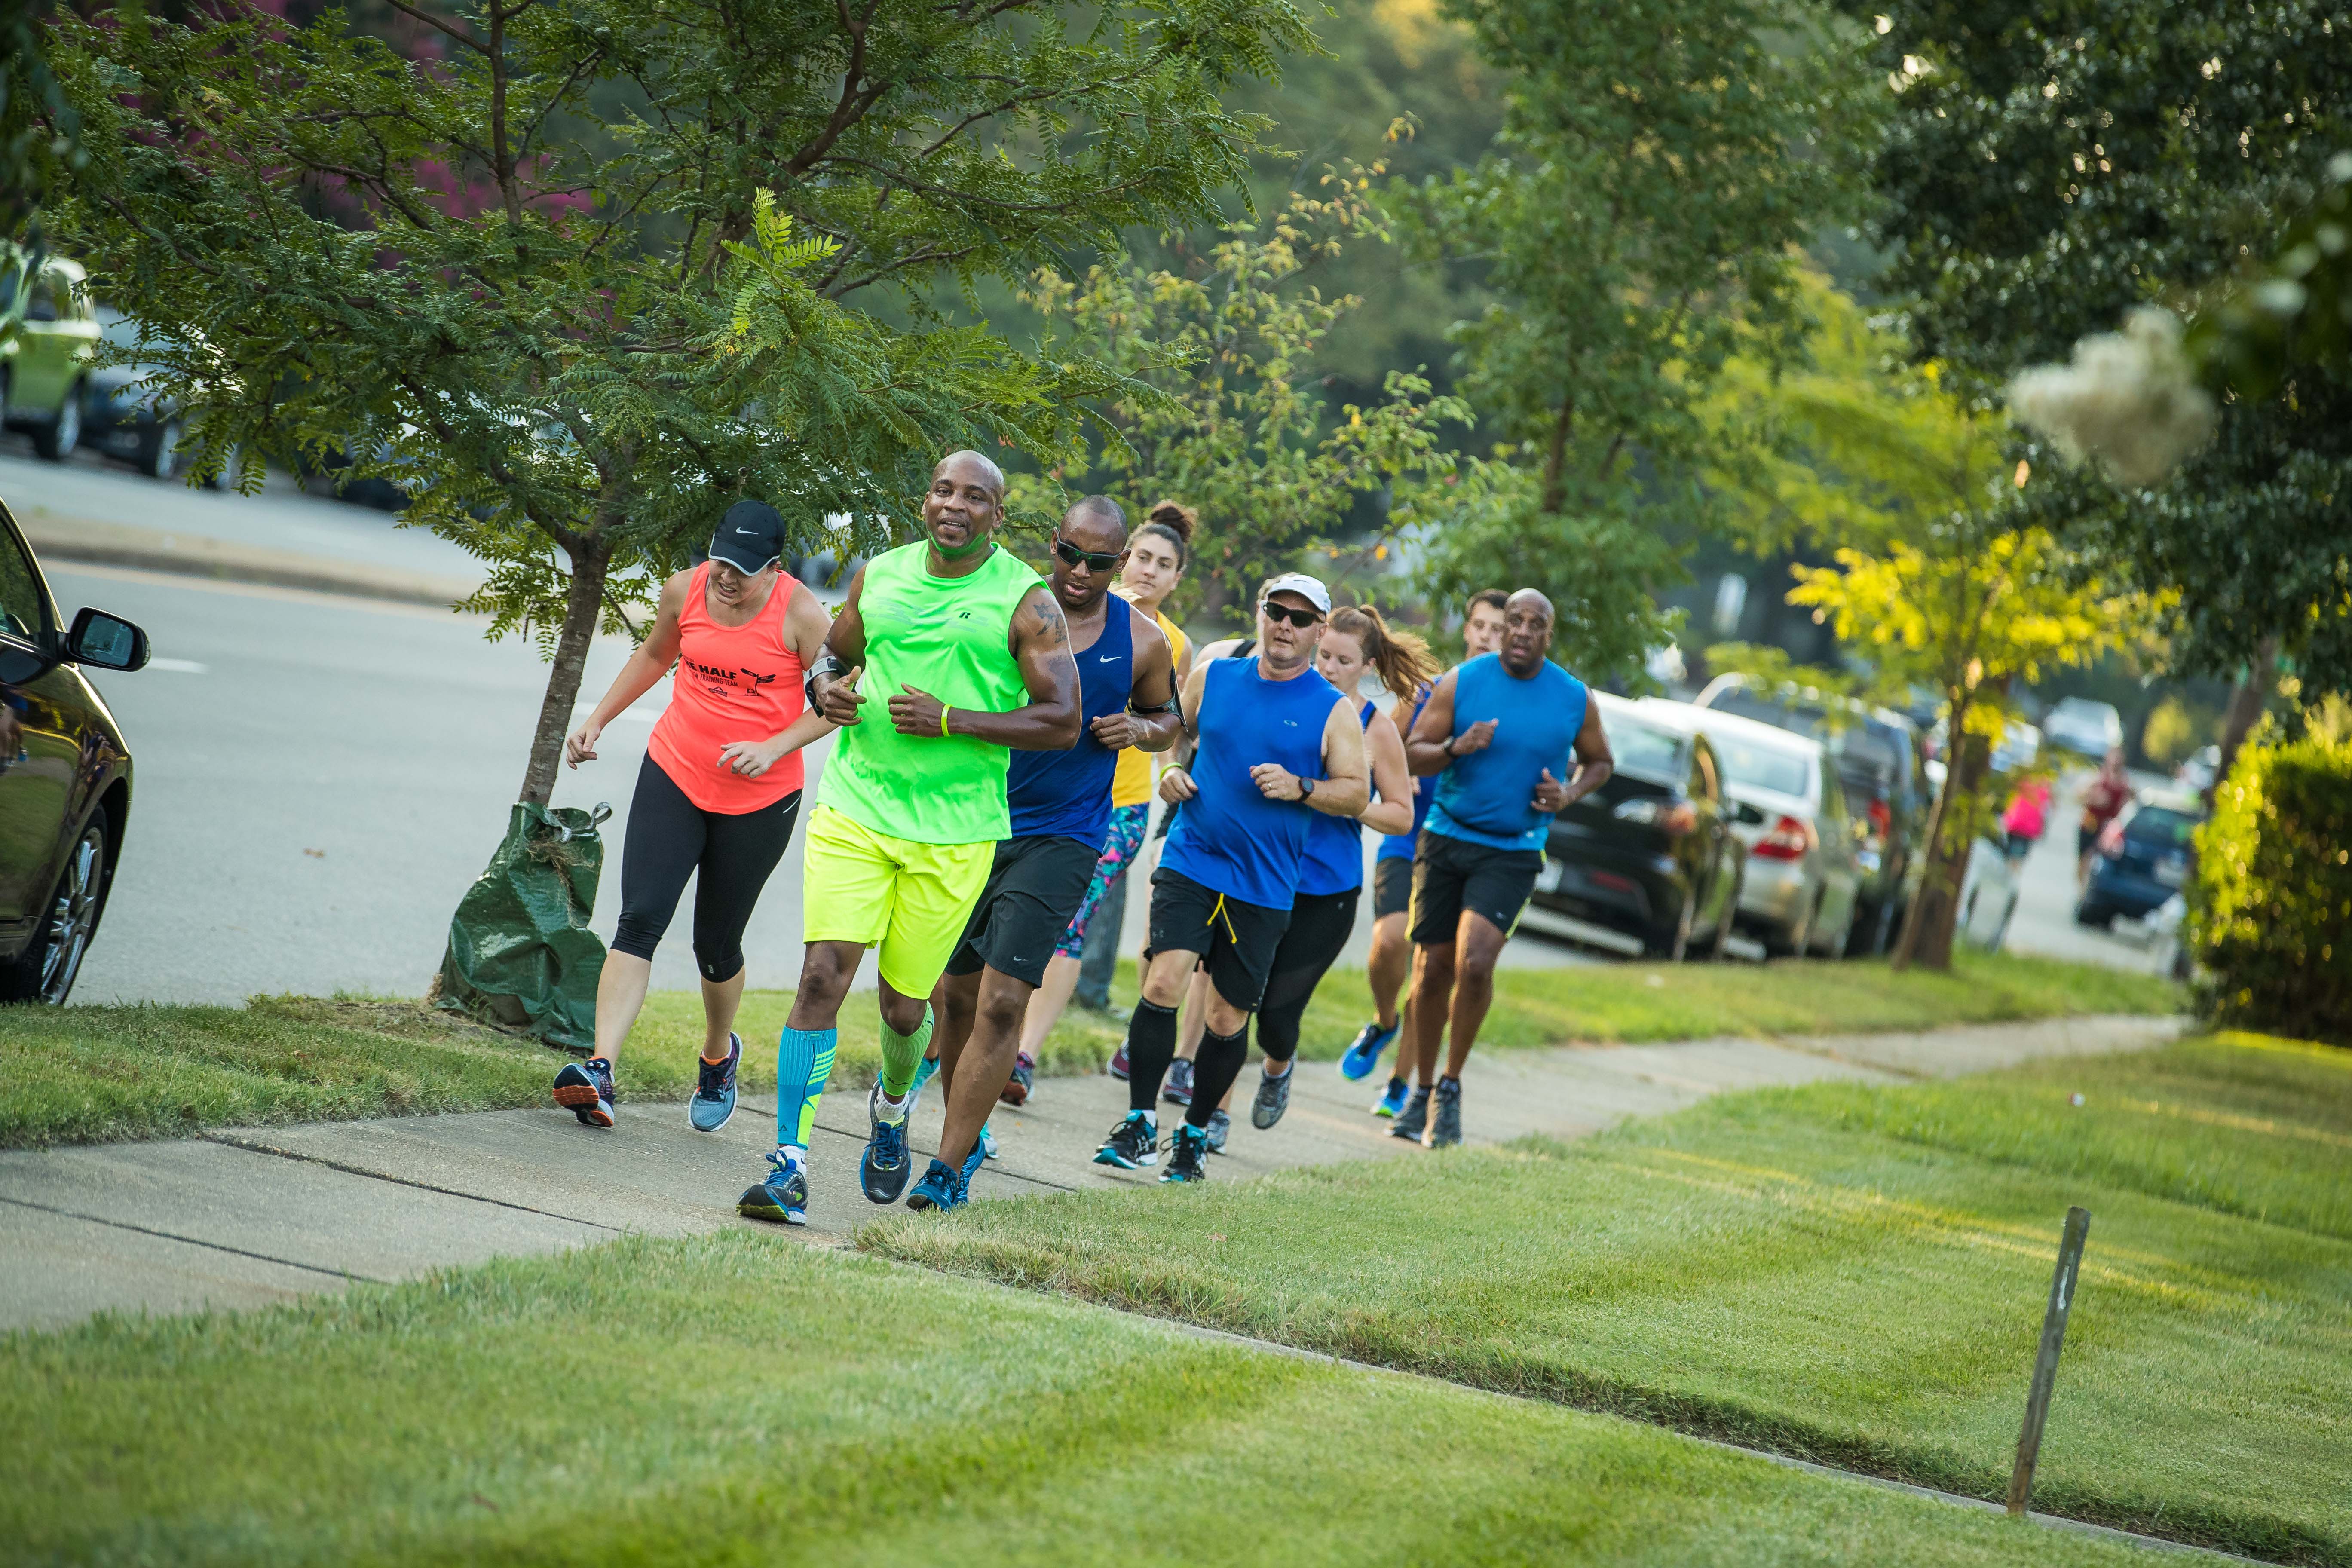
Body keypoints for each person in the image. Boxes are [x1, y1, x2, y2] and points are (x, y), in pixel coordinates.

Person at [735, 452, 1081, 1226]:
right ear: (924, 498)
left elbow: (1062, 720)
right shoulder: (881, 574)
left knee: (901, 1009)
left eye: (974, 497)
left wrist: (954, 720)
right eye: (941, 490)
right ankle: (789, 1165)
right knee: (821, 977)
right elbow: (838, 653)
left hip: (954, 834)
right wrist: (821, 686)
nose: (953, 505)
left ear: (998, 515)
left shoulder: (1026, 602)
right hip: (857, 806)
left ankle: (892, 1105)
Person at [911, 499, 1180, 1208]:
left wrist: (1140, 729)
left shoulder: (1143, 639)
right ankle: (959, 1134)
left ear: (1120, 565)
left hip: (1065, 833)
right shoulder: (1009, 606)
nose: (1081, 572)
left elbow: (1170, 717)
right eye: (1069, 554)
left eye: (1099, 562)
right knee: (956, 995)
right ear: (1051, 546)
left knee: (1004, 1001)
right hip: (973, 817)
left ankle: (946, 1165)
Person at [553, 500, 835, 1131]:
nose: (725, 578)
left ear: (773, 567)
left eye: (741, 568)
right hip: (676, 771)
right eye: (718, 561)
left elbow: (838, 704)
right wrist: (598, 718)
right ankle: (600, 1071)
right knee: (640, 919)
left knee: (716, 944)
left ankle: (717, 1055)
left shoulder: (802, 614)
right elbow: (657, 655)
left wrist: (773, 746)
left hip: (760, 799)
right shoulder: (687, 589)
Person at [1094, 573, 1369, 1184]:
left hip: (1265, 883)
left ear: (1320, 631)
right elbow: (1173, 728)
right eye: (1277, 612)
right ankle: (1140, 1122)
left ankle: (1191, 1136)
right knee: (1165, 980)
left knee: (1224, 1018)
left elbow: (1357, 794)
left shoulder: (1332, 711)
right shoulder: (1214, 675)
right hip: (1193, 855)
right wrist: (1169, 770)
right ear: (1261, 612)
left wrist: (1304, 788)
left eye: (1301, 620)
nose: (1286, 627)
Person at [1395, 588, 1613, 1148]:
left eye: (1534, 623)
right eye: (1513, 620)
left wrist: (1567, 794)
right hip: (1446, 837)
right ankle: (1419, 1089)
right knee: (1432, 969)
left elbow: (1601, 762)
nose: (1520, 630)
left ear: (1548, 633)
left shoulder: (1572, 697)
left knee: (1475, 963)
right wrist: (1457, 747)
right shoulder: (1464, 681)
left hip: (1514, 848)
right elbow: (1413, 750)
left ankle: (1450, 1087)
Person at [1008, 500, 1196, 1092]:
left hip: (1116, 805)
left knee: (1068, 924)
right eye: (1144, 556)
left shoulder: (1167, 641)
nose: (1149, 570)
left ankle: (1024, 1056)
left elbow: (1166, 719)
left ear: (1176, 579)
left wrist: (1143, 738)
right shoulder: (1034, 604)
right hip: (1017, 790)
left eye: (1163, 565)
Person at [1238, 604, 1427, 1131]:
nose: (1329, 668)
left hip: (1326, 889)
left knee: (1276, 1016)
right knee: (1231, 1003)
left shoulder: (1376, 728)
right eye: (1324, 654)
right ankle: (1211, 1117)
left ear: (1365, 666)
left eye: (1344, 660)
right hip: (1260, 870)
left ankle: (1278, 1069)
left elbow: (1400, 814)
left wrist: (1344, 799)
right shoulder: (1282, 699)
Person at [1340, 588, 1507, 1116]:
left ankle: (1400, 1082)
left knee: (1432, 968)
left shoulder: (1512, 709)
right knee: (1389, 943)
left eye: (1499, 630)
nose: (1487, 636)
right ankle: (1384, 1022)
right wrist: (1399, 774)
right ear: (1467, 630)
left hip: (1462, 847)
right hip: (1408, 834)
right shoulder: (1433, 689)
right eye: (1481, 625)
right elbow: (1380, 742)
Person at [2077, 747, 2132, 884]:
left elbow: (2132, 802)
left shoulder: (2125, 782)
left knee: (2096, 859)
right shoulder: (2098, 776)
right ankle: (2082, 890)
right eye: (2114, 757)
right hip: (2090, 823)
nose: (2116, 761)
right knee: (2083, 860)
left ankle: (2091, 888)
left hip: (2108, 827)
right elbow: (2078, 796)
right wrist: (2095, 799)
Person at [2002, 775, 2052, 863]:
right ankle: (2013, 872)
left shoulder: (2024, 786)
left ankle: (2009, 871)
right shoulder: (2043, 793)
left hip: (2015, 824)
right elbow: (2046, 813)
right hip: (2028, 829)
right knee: (2019, 857)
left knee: (2009, 854)